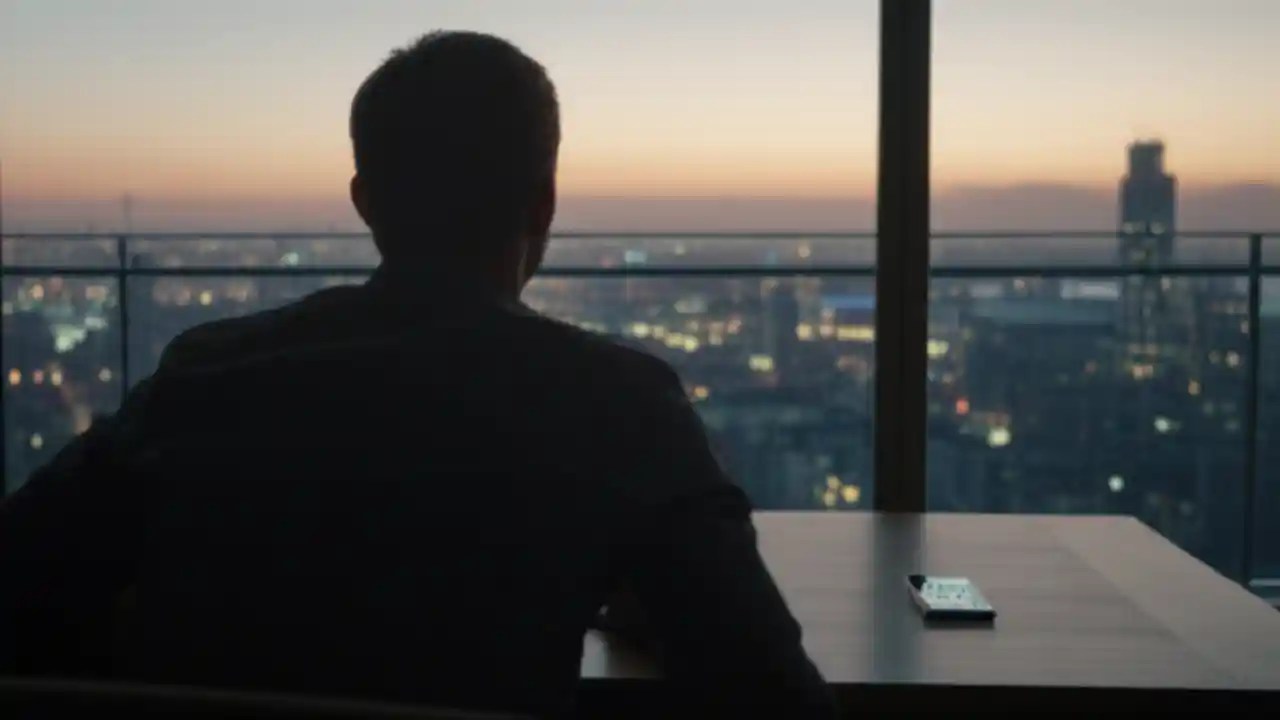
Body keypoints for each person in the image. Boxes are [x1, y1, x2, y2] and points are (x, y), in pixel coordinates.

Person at [0, 31, 835, 718]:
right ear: (542, 205)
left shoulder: (207, 374)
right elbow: (771, 693)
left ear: (365, 201)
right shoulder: (620, 406)